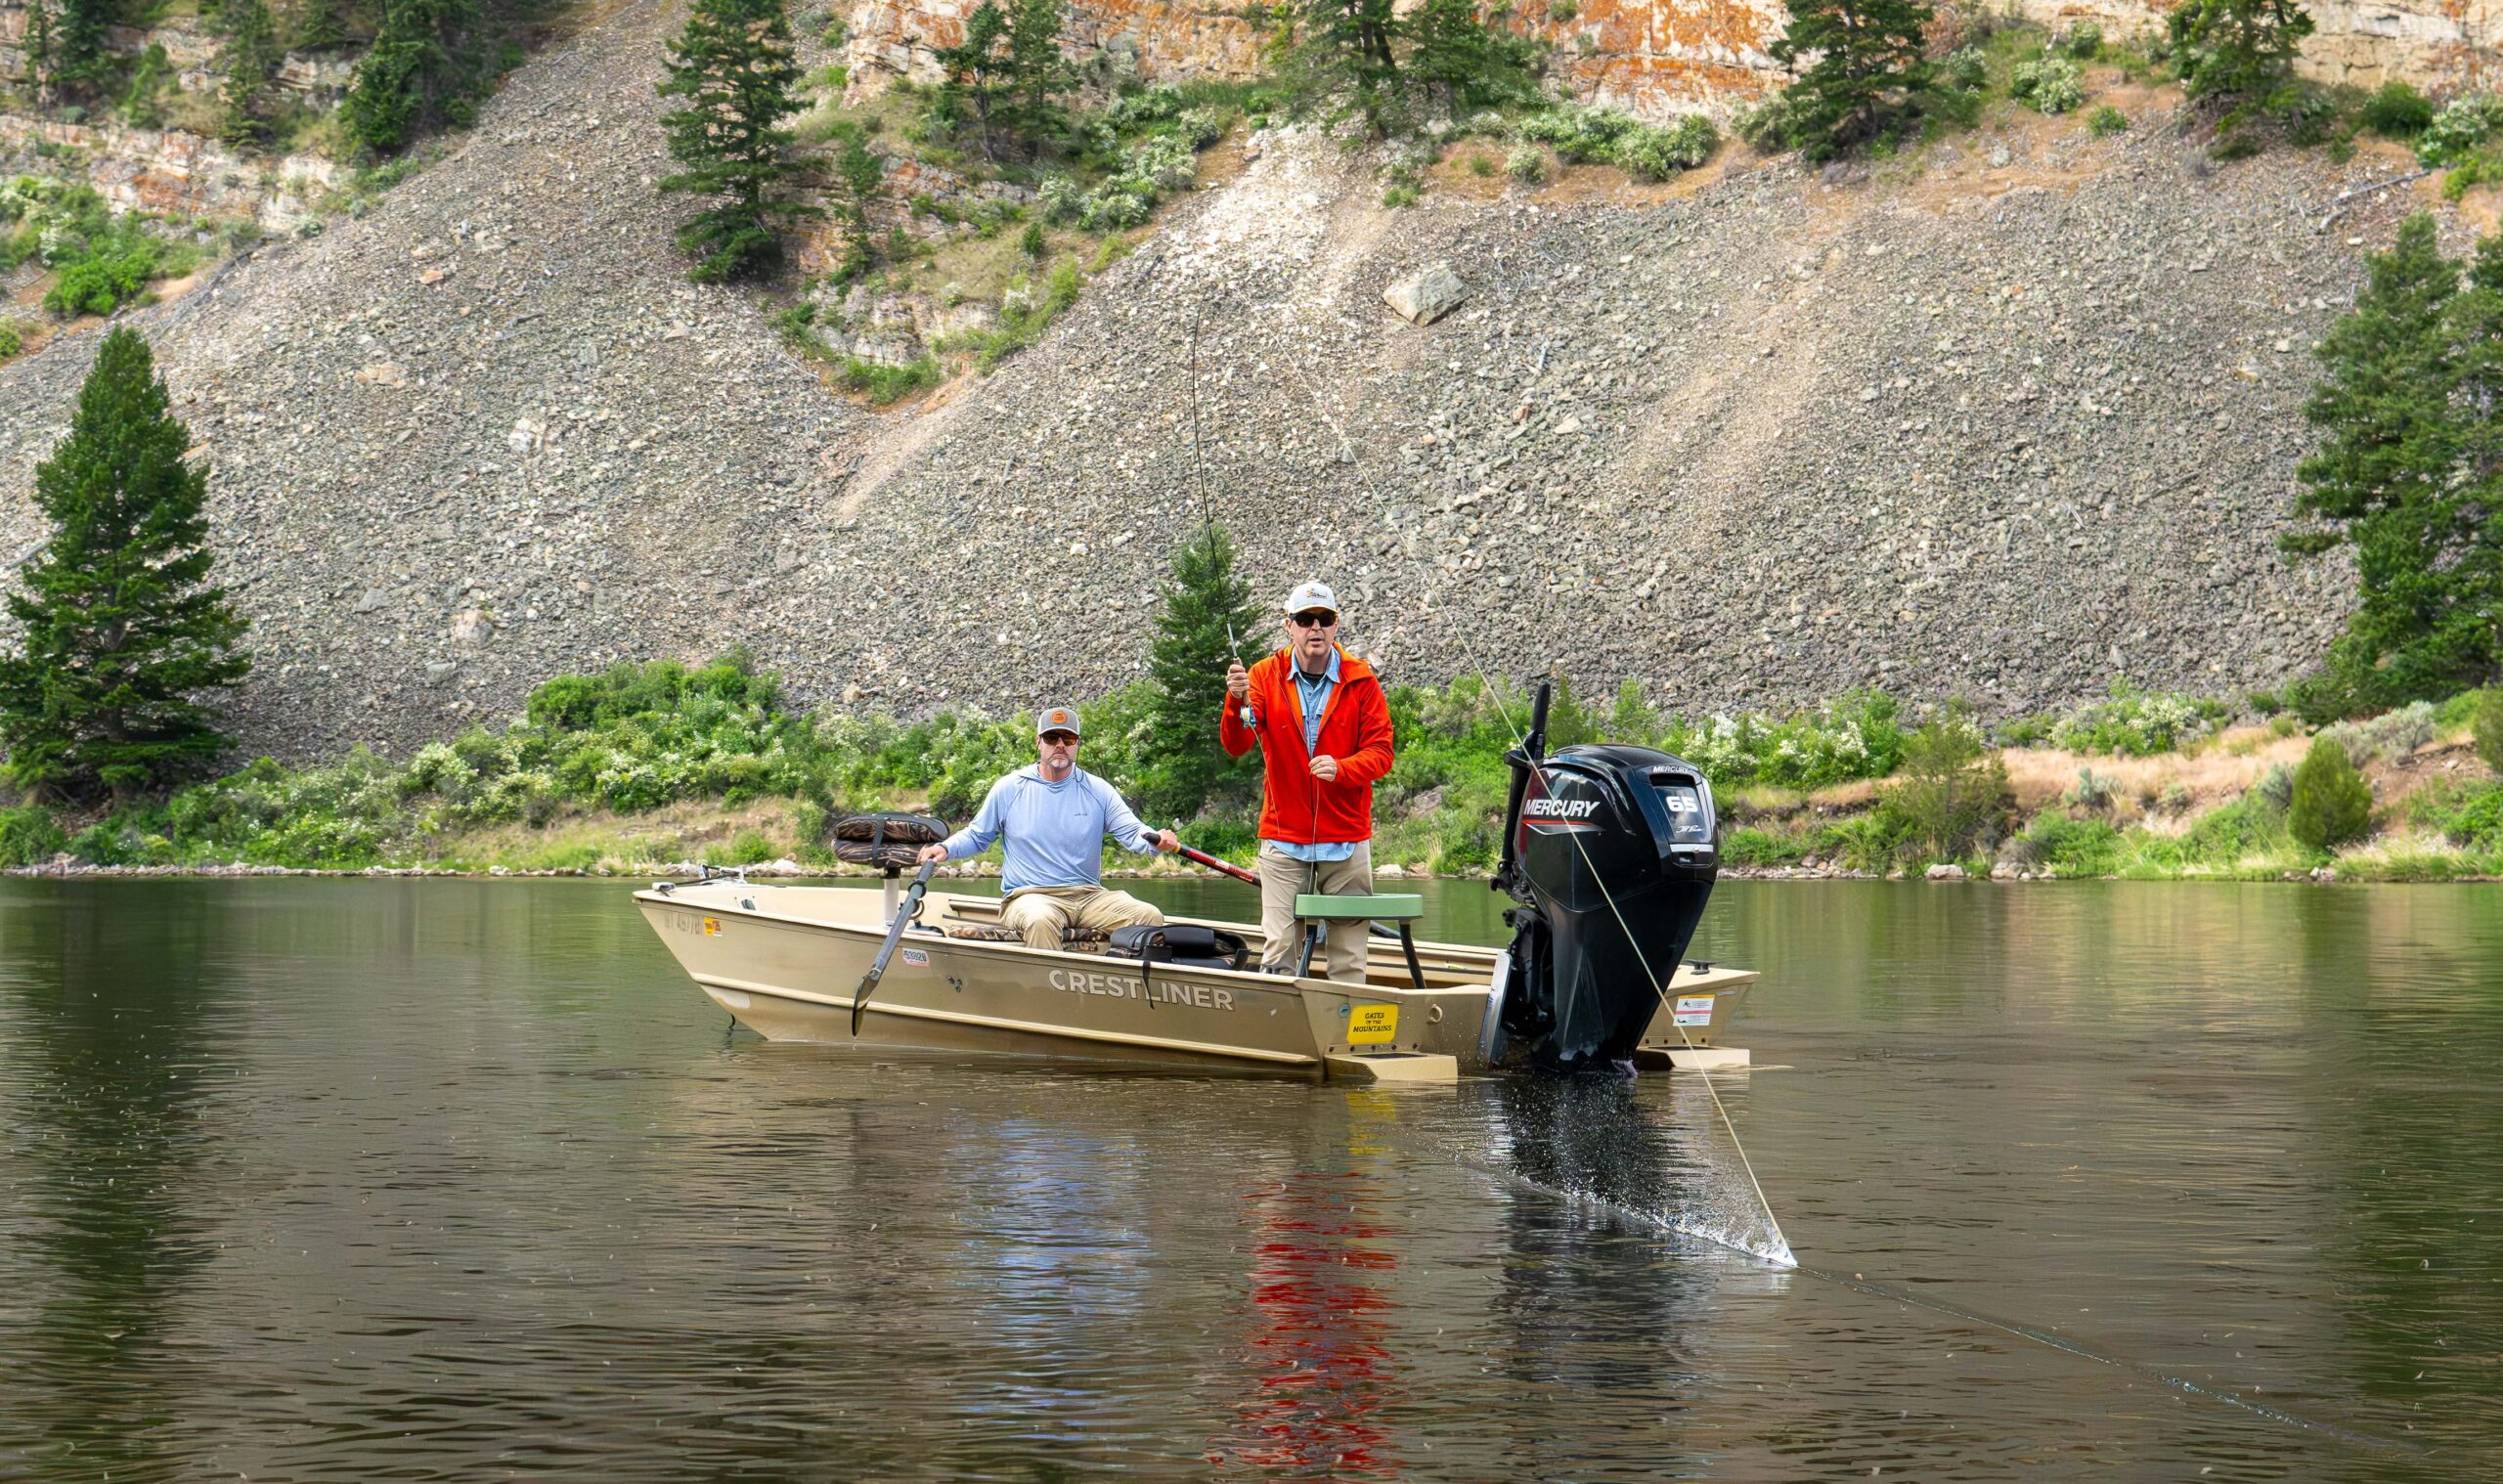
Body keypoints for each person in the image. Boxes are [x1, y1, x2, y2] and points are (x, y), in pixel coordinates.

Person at [1220, 582, 1395, 979]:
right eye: (1305, 619)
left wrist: (1343, 768)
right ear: (1289, 626)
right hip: (1283, 838)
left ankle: (1348, 1036)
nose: (1315, 627)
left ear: (1336, 625)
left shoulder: (1361, 679)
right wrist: (1236, 702)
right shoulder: (1263, 675)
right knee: (1280, 951)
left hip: (1347, 838)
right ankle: (1281, 1031)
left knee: (1349, 957)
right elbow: (1237, 743)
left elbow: (1382, 753)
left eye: (1325, 619)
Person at [919, 705, 1181, 950]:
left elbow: (1133, 831)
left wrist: (1157, 840)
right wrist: (944, 848)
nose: (1059, 746)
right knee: (1041, 919)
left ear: (1077, 744)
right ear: (1038, 742)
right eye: (1051, 738)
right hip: (1030, 897)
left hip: (1089, 896)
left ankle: (1116, 990)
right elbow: (977, 835)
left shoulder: (1098, 790)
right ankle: (1048, 995)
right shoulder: (1010, 788)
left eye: (1068, 740)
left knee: (1148, 915)